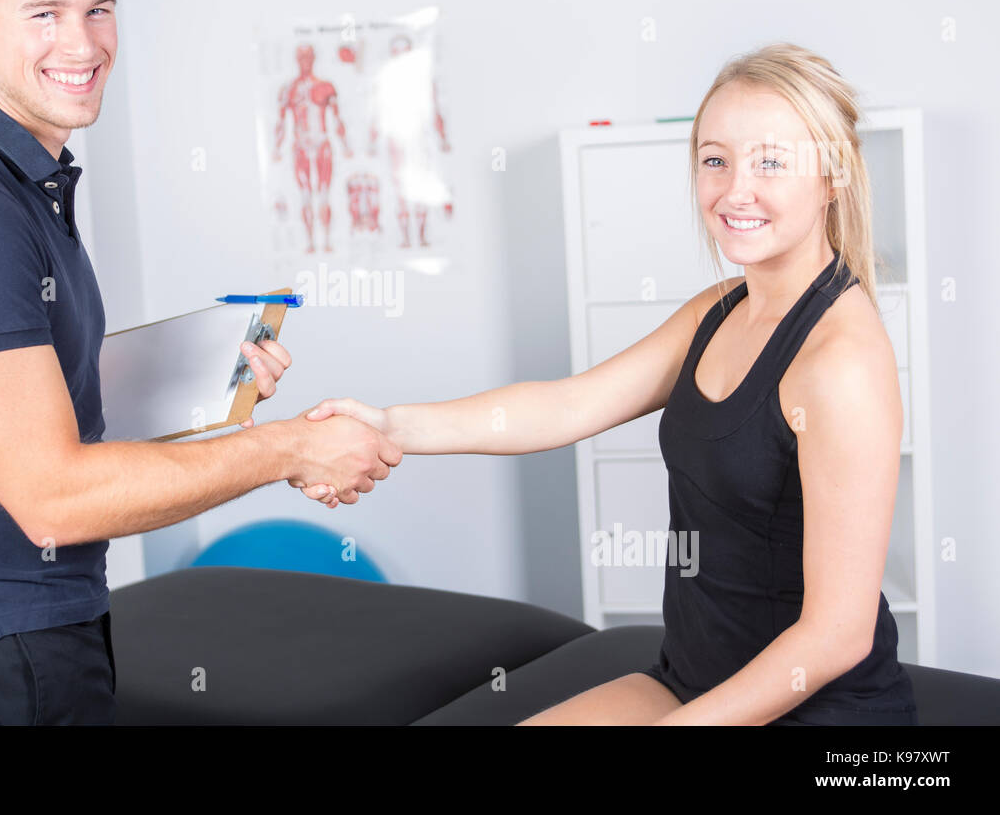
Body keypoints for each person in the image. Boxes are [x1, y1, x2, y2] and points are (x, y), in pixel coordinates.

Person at [0, 0, 400, 726]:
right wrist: (288, 448)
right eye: (44, 14)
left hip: (32, 627)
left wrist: (201, 382)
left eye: (98, 9)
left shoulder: (17, 181)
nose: (82, 43)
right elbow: (53, 495)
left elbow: (38, 404)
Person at [299, 43, 918, 725]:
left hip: (814, 713)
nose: (735, 189)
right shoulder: (720, 311)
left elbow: (838, 635)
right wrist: (392, 426)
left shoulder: (841, 362)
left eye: (771, 161)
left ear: (832, 174)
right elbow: (567, 405)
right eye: (716, 159)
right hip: (690, 682)